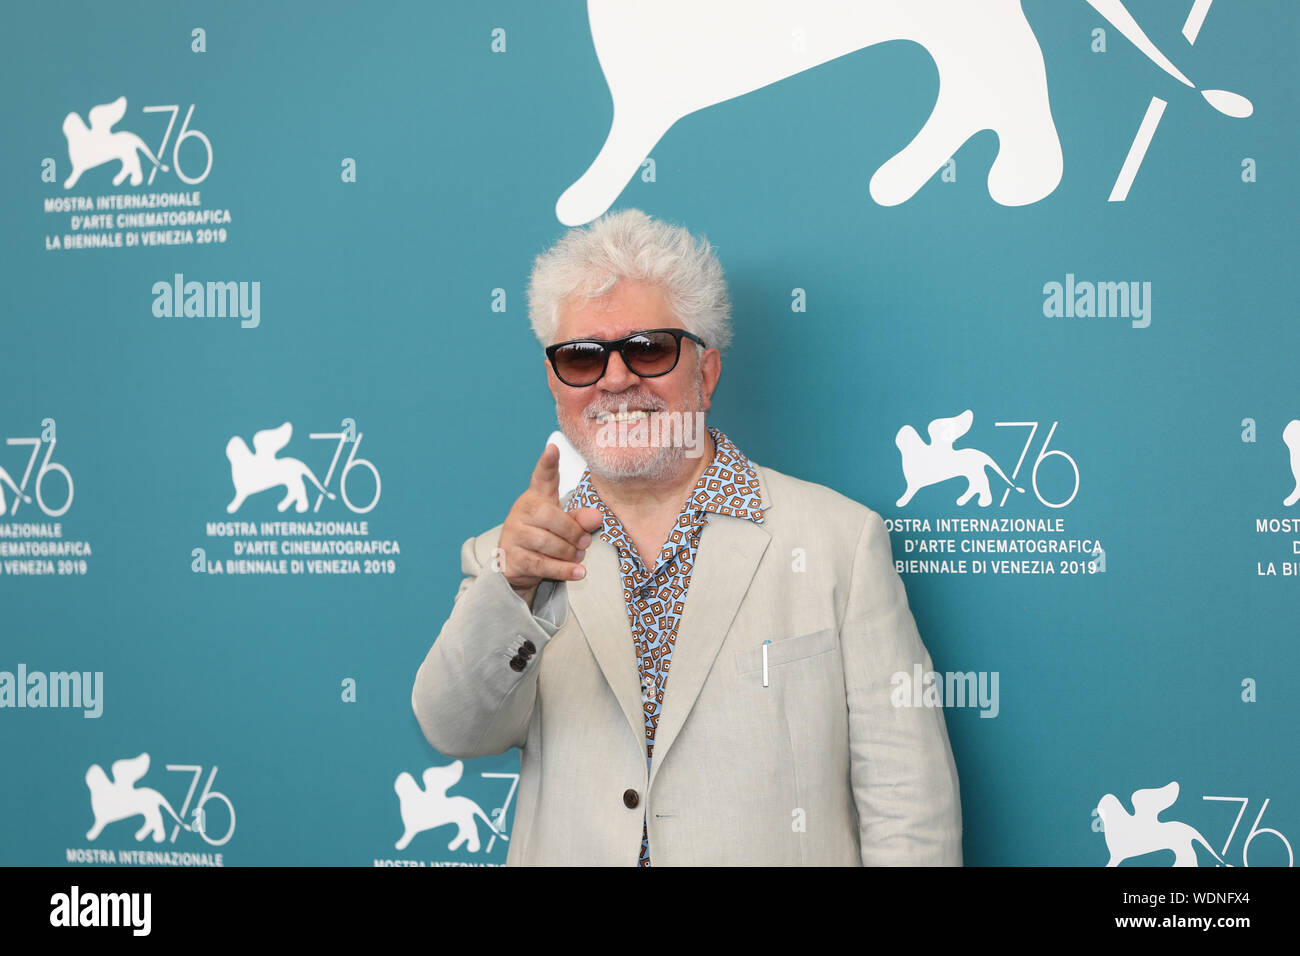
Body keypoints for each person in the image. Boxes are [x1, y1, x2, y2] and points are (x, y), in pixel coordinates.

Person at [412, 208, 961, 865]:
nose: (615, 379)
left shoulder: (840, 540)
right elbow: (454, 730)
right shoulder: (511, 556)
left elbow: (909, 807)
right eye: (581, 357)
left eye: (648, 349)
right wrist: (514, 584)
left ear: (705, 371)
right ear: (557, 385)